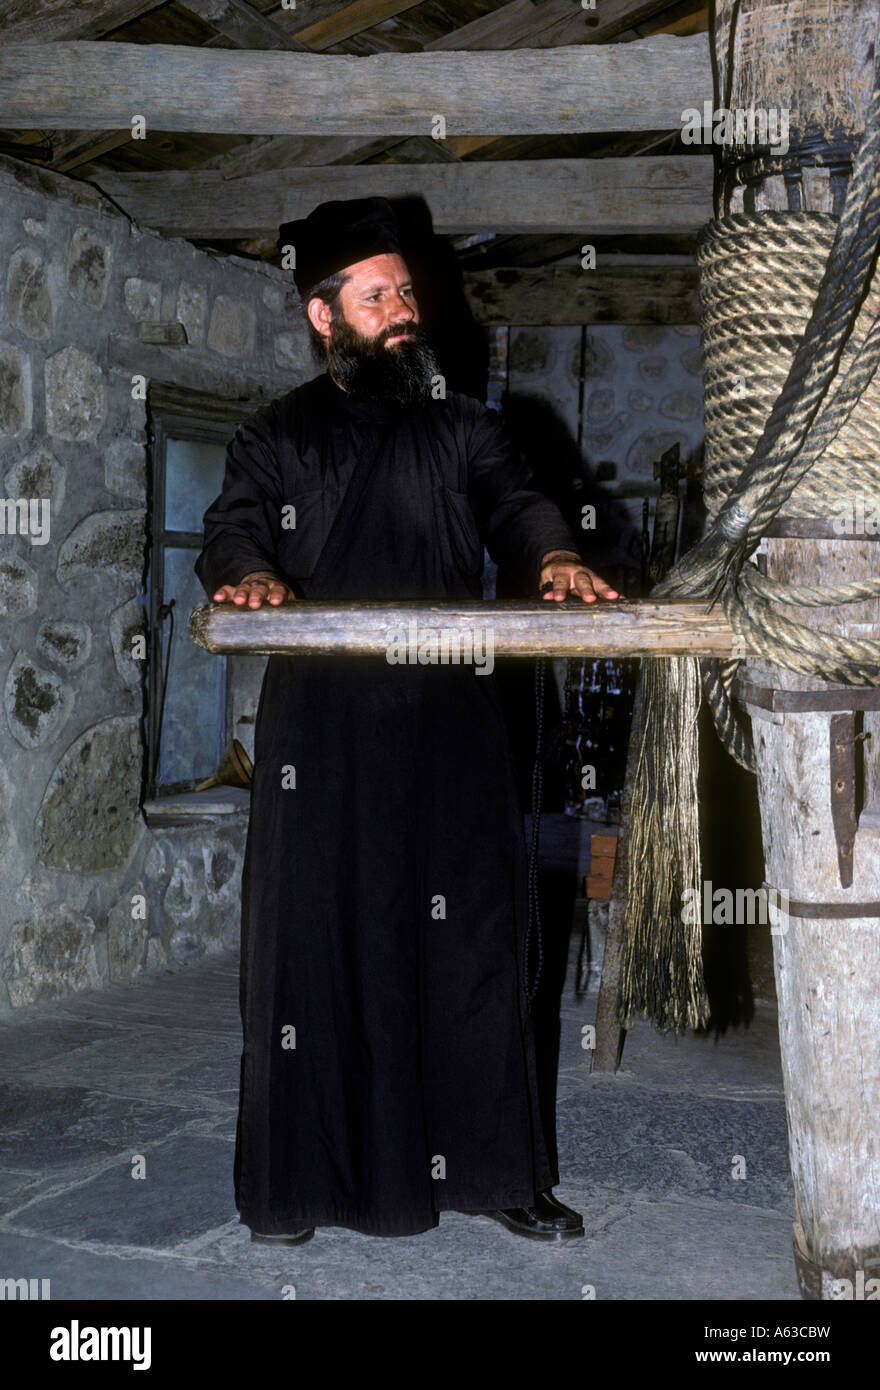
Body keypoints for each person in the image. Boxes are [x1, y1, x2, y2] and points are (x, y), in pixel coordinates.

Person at [194, 197, 620, 1247]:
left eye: (407, 292)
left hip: (451, 727)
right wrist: (249, 574)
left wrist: (555, 555)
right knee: (318, 952)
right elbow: (232, 529)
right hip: (323, 741)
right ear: (323, 315)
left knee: (472, 948)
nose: (403, 310)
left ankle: (499, 1174)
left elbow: (517, 506)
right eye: (378, 295)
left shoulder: (467, 427)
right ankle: (297, 1188)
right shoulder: (275, 434)